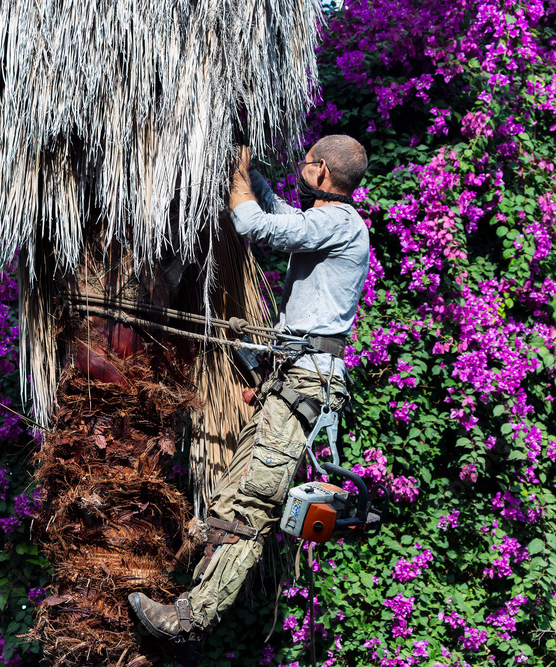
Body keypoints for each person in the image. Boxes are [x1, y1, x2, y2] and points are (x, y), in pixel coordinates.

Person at [129, 134, 371, 648]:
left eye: (307, 163)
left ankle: (191, 620)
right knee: (231, 494)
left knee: (251, 506)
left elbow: (257, 226)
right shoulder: (329, 222)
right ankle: (186, 590)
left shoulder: (339, 222)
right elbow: (279, 211)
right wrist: (252, 174)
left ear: (322, 171)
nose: (302, 167)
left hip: (306, 381)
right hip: (290, 379)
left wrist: (238, 180)